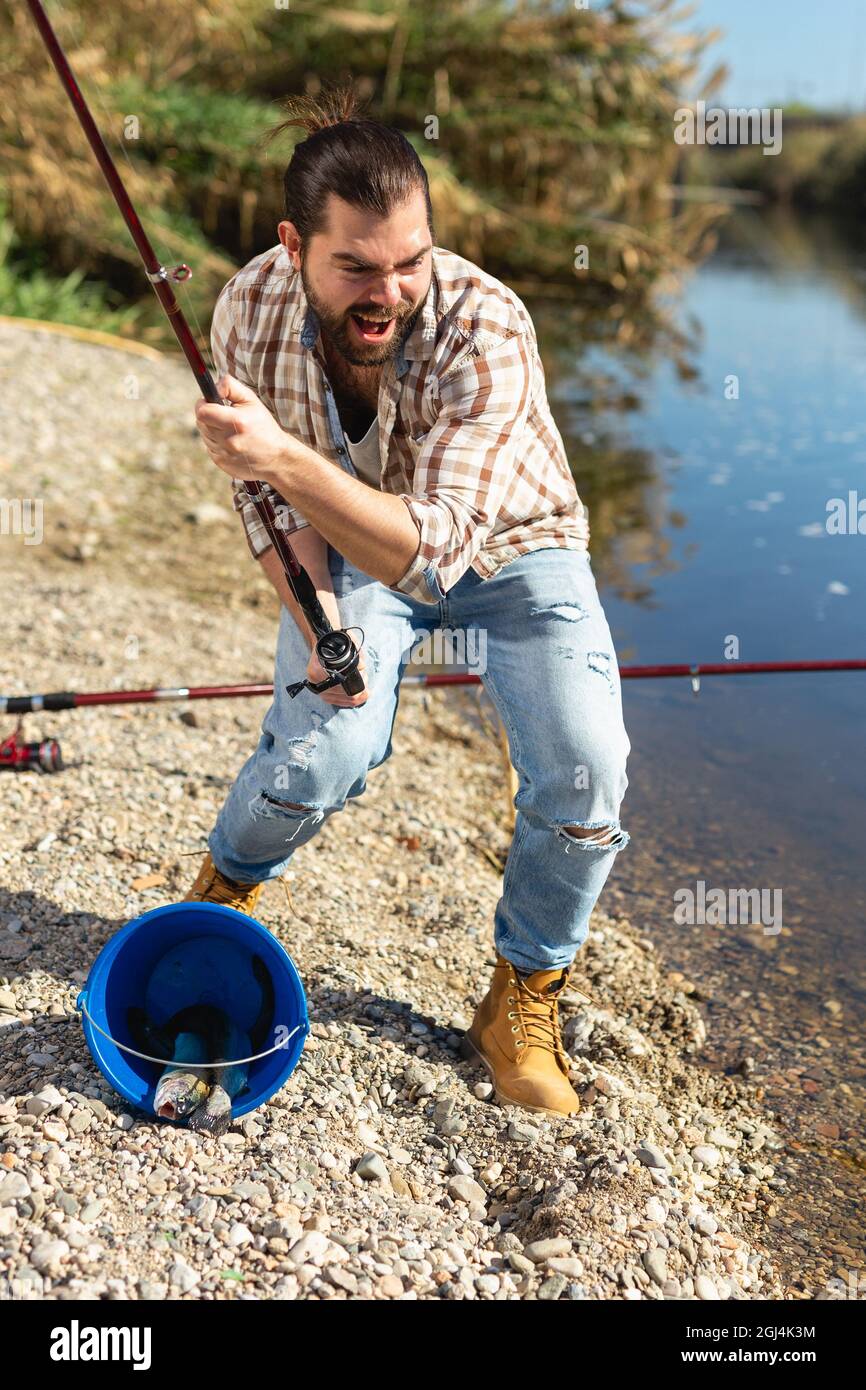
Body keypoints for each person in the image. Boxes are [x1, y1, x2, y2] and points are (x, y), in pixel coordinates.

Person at [192, 87, 631, 1117]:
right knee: (323, 749)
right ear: (295, 246)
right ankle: (225, 889)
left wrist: (287, 462)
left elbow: (430, 556)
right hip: (349, 545)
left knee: (586, 768)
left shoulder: (487, 324)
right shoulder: (246, 309)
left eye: (409, 260)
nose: (387, 290)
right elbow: (269, 503)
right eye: (354, 266)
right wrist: (320, 623)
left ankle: (521, 992)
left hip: (514, 552)